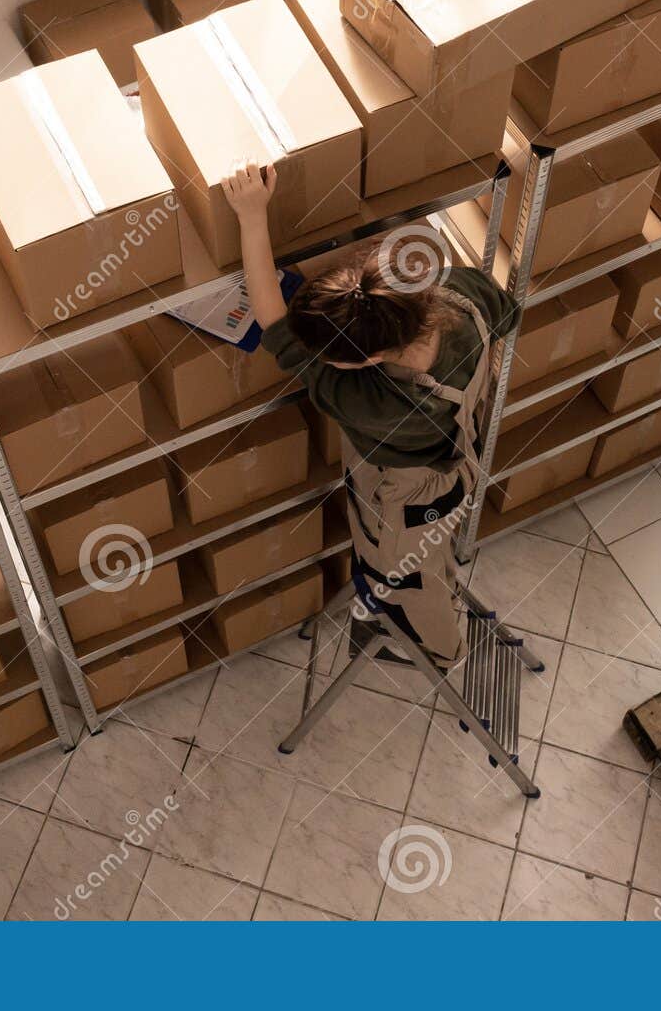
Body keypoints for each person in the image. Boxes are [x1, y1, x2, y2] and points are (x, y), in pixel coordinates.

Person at [222, 161, 521, 666]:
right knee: (433, 550)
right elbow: (508, 311)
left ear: (369, 359)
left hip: (403, 494)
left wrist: (252, 218)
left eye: (330, 354)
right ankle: (434, 600)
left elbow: (273, 323)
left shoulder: (368, 401)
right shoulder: (453, 293)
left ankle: (442, 652)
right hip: (457, 454)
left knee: (403, 574)